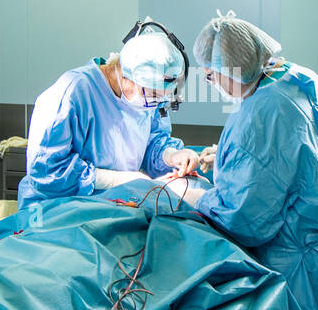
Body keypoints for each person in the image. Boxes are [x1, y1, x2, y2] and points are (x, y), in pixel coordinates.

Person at [184, 13, 318, 310]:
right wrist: (228, 158)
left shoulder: (262, 114)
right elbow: (296, 161)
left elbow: (245, 219)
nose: (211, 85)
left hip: (302, 274)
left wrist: (192, 195)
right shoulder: (300, 79)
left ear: (230, 70)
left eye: (210, 77)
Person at [17, 26, 201, 208]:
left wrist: (170, 155)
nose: (155, 103)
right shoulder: (70, 94)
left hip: (109, 206)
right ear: (126, 75)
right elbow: (47, 172)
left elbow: (152, 142)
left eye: (161, 98)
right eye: (153, 95)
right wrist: (113, 179)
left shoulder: (145, 99)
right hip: (52, 211)